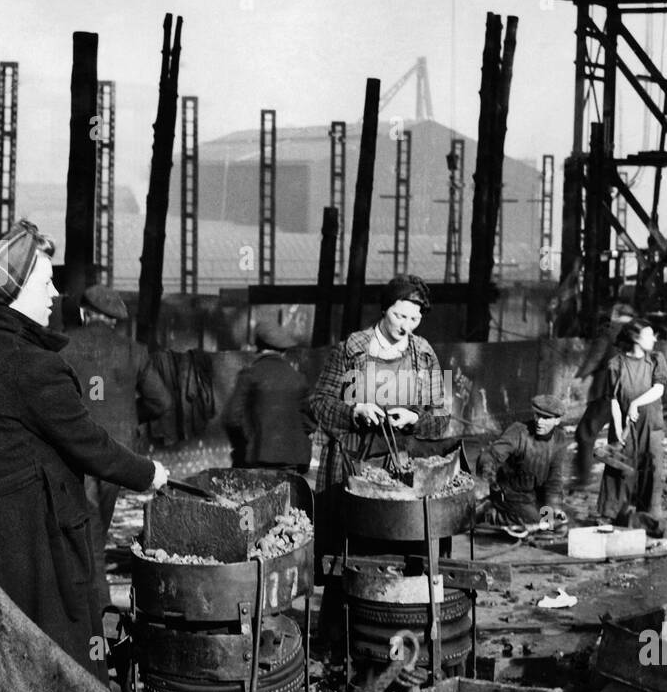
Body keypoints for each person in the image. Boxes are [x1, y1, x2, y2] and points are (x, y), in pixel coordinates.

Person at [0, 221, 170, 685]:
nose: (53, 295)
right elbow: (89, 443)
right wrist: (148, 474)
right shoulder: (34, 365)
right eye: (44, 283)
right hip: (35, 548)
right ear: (17, 291)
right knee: (58, 670)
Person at [309, 274, 450, 658]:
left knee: (399, 554)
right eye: (399, 316)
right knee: (345, 557)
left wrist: (414, 418)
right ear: (384, 310)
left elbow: (443, 416)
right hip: (351, 469)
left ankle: (396, 639)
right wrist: (355, 410)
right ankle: (337, 647)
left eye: (414, 318)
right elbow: (317, 404)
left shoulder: (424, 354)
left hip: (401, 472)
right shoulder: (351, 350)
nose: (406, 326)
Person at [62, 282, 172, 615]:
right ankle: (94, 602)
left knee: (85, 530)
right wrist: (128, 419)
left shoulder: (63, 346)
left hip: (75, 447)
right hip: (118, 454)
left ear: (84, 313)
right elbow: (161, 401)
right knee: (95, 527)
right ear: (114, 320)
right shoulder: (134, 351)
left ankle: (94, 607)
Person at [595, 317, 667, 536]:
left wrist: (636, 403)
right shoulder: (616, 364)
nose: (653, 339)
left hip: (650, 425)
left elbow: (659, 389)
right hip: (625, 427)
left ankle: (648, 518)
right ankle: (608, 515)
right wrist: (617, 427)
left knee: (651, 469)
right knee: (618, 469)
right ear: (635, 338)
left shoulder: (656, 360)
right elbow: (614, 399)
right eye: (648, 335)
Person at [223, 322, 313, 473]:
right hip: (293, 461)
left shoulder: (250, 375)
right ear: (283, 351)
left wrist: (248, 443)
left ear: (258, 348)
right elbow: (310, 422)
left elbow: (232, 418)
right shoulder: (299, 378)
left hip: (258, 460)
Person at [476, 393, 567, 533]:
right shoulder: (519, 431)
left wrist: (554, 506)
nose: (539, 421)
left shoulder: (559, 439)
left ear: (557, 421)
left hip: (535, 495)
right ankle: (491, 513)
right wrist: (490, 477)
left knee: (551, 526)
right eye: (538, 415)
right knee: (534, 522)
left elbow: (554, 479)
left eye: (546, 418)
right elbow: (490, 455)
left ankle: (517, 515)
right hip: (511, 493)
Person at [572, 304, 637, 488]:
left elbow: (595, 358)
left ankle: (583, 479)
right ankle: (623, 481)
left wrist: (580, 377)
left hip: (607, 393)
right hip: (630, 392)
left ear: (615, 314)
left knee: (585, 434)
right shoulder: (638, 334)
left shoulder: (608, 333)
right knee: (619, 438)